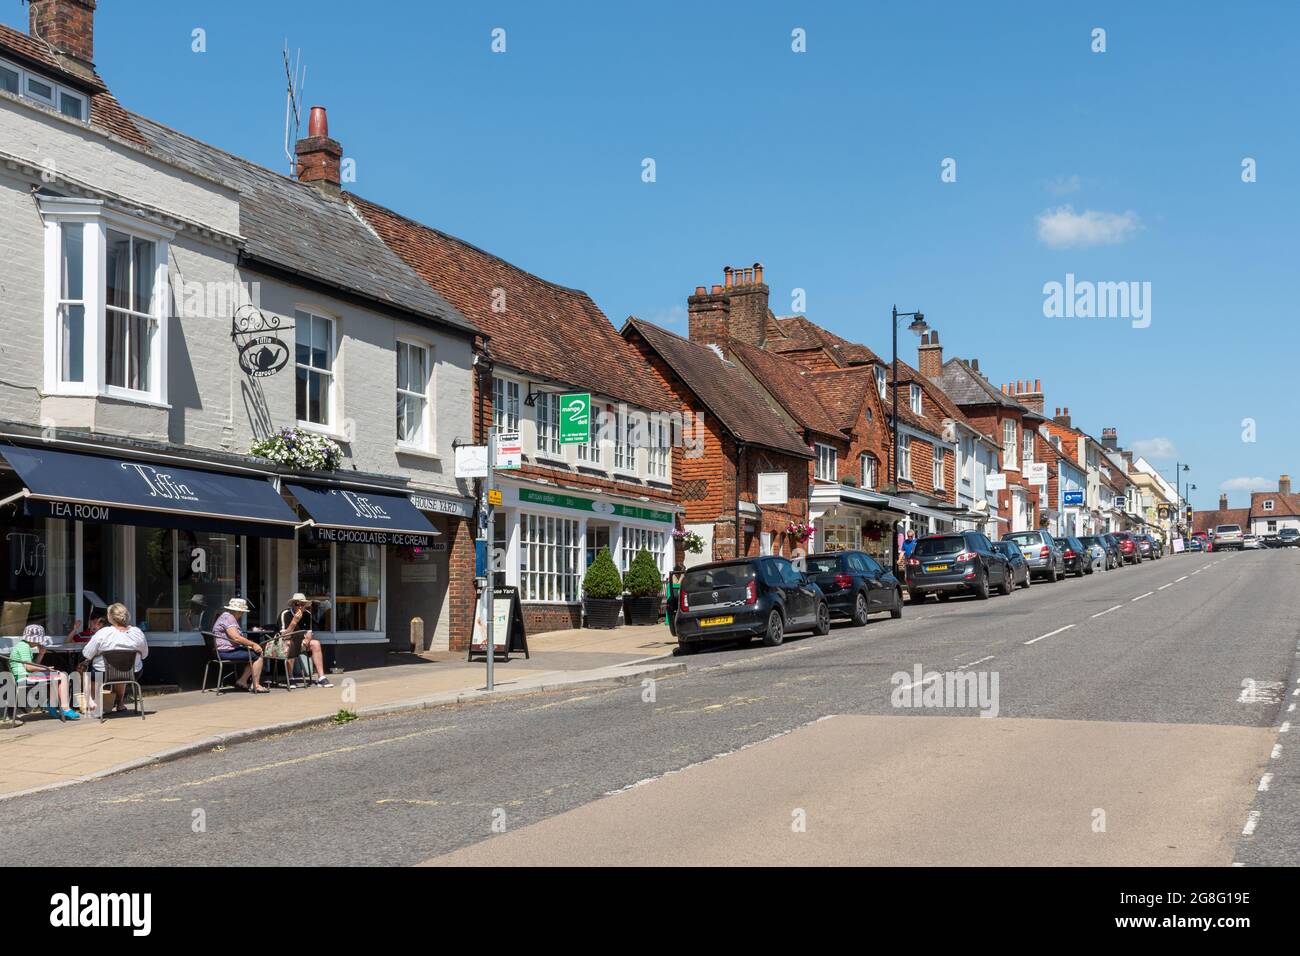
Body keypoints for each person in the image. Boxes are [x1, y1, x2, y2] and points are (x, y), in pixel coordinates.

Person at [80, 603, 149, 715]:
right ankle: (120, 704)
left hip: (103, 673)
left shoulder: (103, 633)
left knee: (87, 673)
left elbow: (87, 654)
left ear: (110, 617)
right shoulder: (138, 632)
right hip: (132, 673)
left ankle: (92, 702)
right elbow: (145, 655)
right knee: (121, 671)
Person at [7, 625, 79, 720]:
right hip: (24, 678)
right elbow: (29, 667)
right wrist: (46, 669)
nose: (38, 643)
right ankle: (65, 708)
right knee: (62, 675)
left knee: (56, 677)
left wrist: (41, 653)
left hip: (24, 676)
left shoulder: (23, 645)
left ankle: (52, 705)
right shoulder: (24, 647)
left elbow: (32, 666)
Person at [276, 593, 332, 688]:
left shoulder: (307, 614)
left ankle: (321, 677)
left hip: (301, 642)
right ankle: (290, 677)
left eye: (303, 604)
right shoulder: (285, 614)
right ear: (293, 604)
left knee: (316, 643)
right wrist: (294, 621)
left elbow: (309, 632)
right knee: (290, 644)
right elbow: (283, 636)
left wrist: (307, 639)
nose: (300, 607)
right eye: (298, 604)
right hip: (286, 643)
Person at [213, 597, 267, 693]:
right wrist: (253, 644)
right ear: (237, 611)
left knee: (253, 653)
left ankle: (242, 681)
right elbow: (236, 638)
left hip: (224, 650)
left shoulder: (225, 616)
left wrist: (249, 645)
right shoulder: (229, 618)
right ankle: (256, 685)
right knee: (258, 655)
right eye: (241, 612)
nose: (242, 614)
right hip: (227, 651)